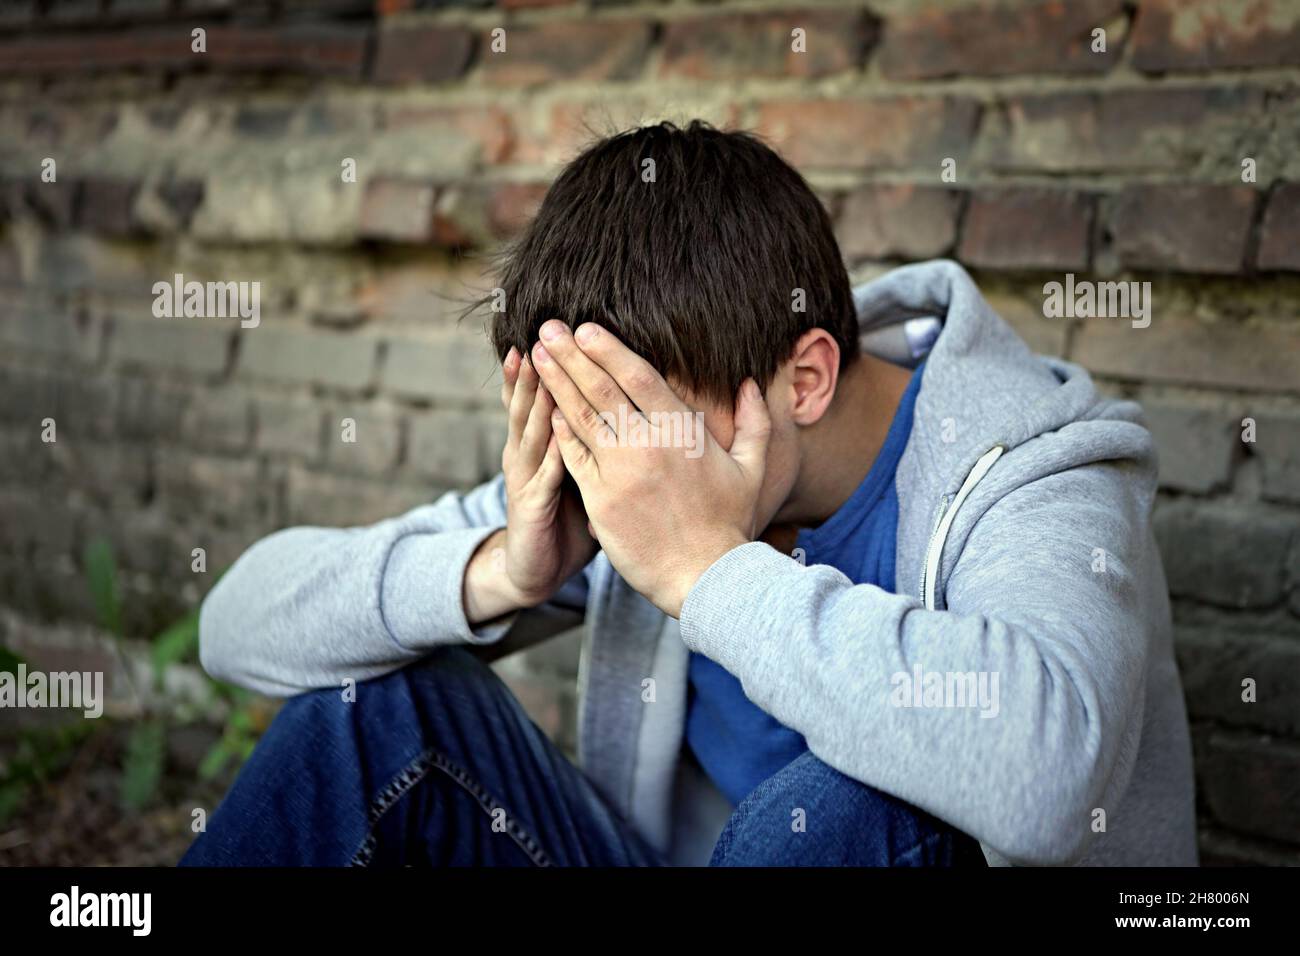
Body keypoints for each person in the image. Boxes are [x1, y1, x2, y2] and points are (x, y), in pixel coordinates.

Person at [181, 121, 1197, 867]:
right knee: (370, 709)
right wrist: (503, 567)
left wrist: (707, 570)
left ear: (803, 378)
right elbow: (235, 625)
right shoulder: (629, 472)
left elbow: (1051, 776)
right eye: (588, 416)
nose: (611, 463)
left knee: (844, 802)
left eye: (632, 416)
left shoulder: (1034, 464)